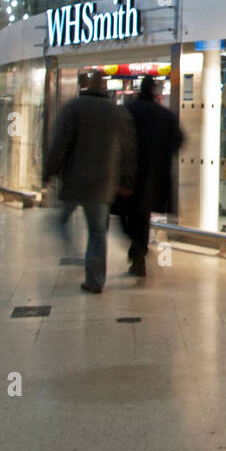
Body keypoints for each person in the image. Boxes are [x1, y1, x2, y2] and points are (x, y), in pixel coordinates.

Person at [44, 70, 136, 294]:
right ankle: (95, 280)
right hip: (102, 185)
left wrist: (49, 171)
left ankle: (74, 253)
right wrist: (125, 180)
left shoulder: (73, 108)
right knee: (97, 233)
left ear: (86, 86)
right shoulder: (117, 112)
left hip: (74, 181)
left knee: (60, 221)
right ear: (104, 88)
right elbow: (128, 151)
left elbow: (60, 144)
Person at [121, 76, 183, 277]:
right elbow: (179, 140)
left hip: (130, 173)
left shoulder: (128, 111)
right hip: (155, 174)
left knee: (127, 214)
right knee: (143, 214)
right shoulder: (164, 115)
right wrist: (162, 154)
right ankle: (139, 250)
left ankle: (137, 250)